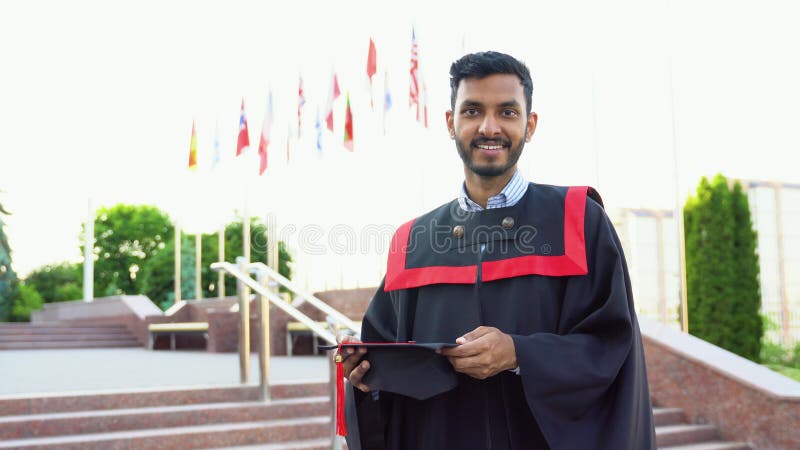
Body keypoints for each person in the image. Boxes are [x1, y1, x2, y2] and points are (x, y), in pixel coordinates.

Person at [339, 51, 656, 450]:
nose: (489, 127)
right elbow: (383, 360)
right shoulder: (413, 241)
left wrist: (520, 353)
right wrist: (366, 374)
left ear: (530, 124)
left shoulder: (579, 220)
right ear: (450, 123)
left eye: (507, 112)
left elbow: (612, 347)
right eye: (472, 111)